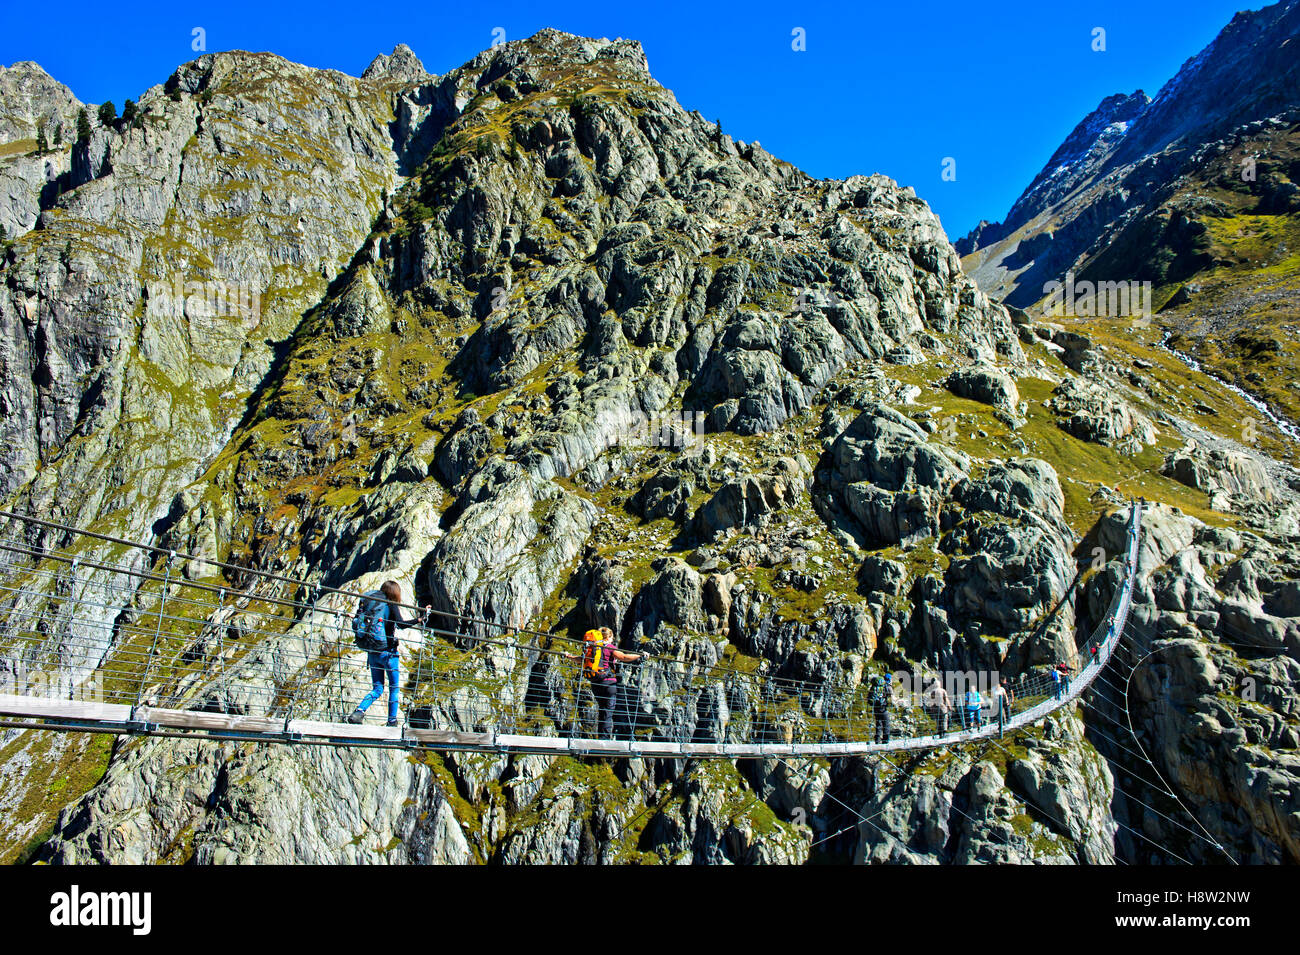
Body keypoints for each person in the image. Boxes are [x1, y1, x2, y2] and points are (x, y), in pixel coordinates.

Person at [346, 580, 429, 727]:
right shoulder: (391, 604)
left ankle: (359, 711)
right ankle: (392, 721)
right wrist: (420, 618)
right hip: (389, 653)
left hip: (373, 653)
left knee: (377, 688)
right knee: (394, 688)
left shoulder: (373, 602)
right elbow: (401, 625)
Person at [580, 626, 643, 740]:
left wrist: (569, 656)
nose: (613, 640)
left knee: (603, 710)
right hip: (608, 683)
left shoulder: (593, 647)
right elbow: (623, 657)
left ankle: (602, 737)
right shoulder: (609, 647)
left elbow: (582, 659)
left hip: (596, 683)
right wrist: (640, 655)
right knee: (608, 711)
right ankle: (605, 739)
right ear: (608, 637)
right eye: (612, 638)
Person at [870, 674, 891, 744]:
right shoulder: (886, 686)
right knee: (886, 723)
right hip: (883, 708)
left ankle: (877, 740)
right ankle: (885, 740)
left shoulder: (874, 687)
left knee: (878, 724)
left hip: (876, 708)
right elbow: (890, 694)